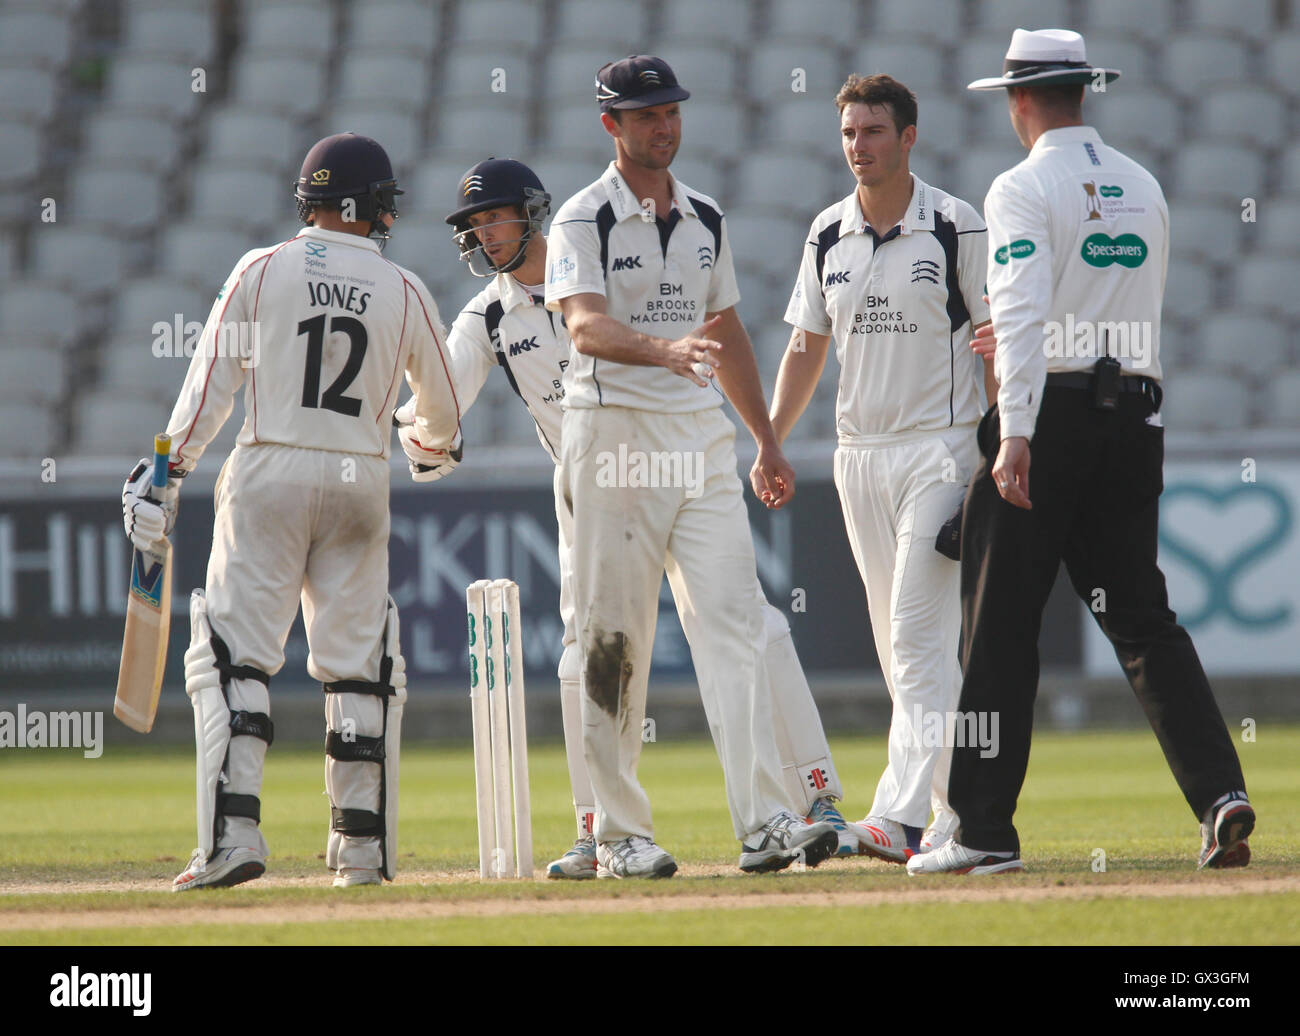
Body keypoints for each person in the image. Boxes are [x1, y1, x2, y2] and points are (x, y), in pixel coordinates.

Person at [418, 155, 864, 877]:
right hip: (594, 483)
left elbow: (705, 323)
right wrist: (420, 429)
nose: (483, 233)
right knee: (590, 652)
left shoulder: (597, 261)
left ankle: (813, 797)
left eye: (492, 216)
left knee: (750, 622)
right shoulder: (489, 315)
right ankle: (598, 829)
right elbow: (440, 396)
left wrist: (762, 438)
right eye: (473, 223)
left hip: (676, 454)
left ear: (530, 213)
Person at [908, 30, 1254, 876]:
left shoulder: (1023, 187)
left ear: (1020, 100)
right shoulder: (1143, 185)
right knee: (1142, 619)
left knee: (998, 625)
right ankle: (1219, 796)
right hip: (1136, 414)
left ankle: (984, 831)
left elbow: (1020, 316)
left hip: (1052, 418)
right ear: (1082, 92)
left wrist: (1015, 431)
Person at [120, 133, 464, 890]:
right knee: (356, 669)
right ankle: (362, 854)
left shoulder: (262, 268)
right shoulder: (405, 289)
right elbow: (442, 412)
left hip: (270, 467)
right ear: (366, 206)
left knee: (234, 657)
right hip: (360, 480)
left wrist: (163, 473)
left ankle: (232, 837)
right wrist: (425, 445)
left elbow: (209, 386)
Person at [542, 55, 842, 877]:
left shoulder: (706, 215)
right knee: (615, 638)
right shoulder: (582, 219)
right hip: (613, 440)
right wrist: (664, 351)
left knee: (736, 627)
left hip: (701, 443)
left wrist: (766, 439)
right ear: (612, 125)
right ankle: (619, 835)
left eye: (670, 111)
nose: (662, 126)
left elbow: (731, 331)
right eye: (644, 116)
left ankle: (767, 822)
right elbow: (585, 330)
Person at [771, 73, 996, 863]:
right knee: (902, 649)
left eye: (872, 132)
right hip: (857, 457)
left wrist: (1004, 450)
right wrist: (771, 439)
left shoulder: (955, 226)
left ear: (908, 137)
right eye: (847, 134)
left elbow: (995, 341)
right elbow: (806, 345)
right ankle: (958, 815)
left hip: (940, 448)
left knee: (914, 635)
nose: (857, 147)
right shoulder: (827, 232)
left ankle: (895, 818)